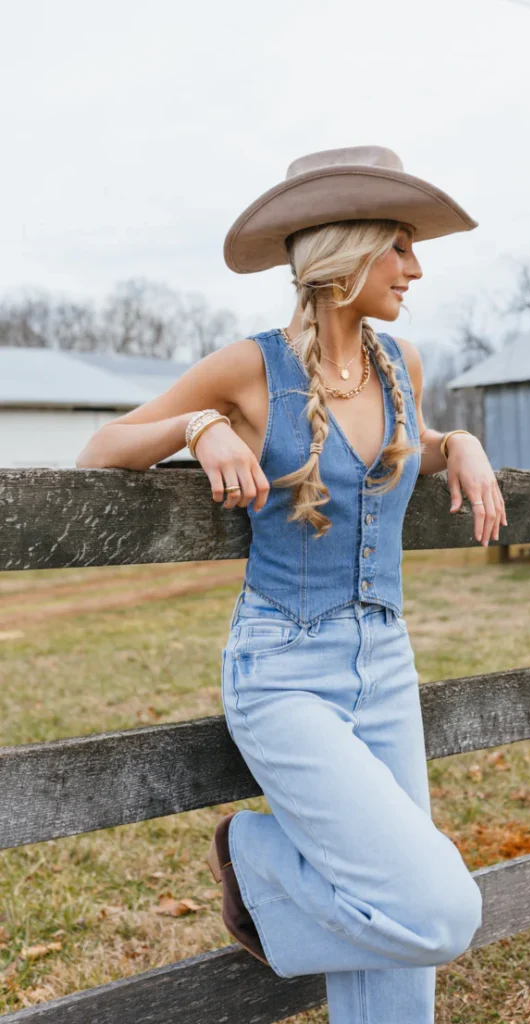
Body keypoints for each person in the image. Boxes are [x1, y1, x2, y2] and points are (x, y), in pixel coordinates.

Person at [77, 145, 507, 1024]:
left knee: (398, 963)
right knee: (438, 911)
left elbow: (397, 447)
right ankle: (256, 854)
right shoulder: (250, 366)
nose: (415, 267)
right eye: (399, 245)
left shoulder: (401, 364)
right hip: (282, 672)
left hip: (386, 664)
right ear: (345, 252)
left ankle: (278, 882)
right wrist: (200, 428)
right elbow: (101, 448)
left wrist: (454, 443)